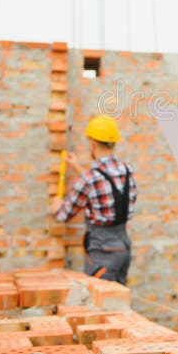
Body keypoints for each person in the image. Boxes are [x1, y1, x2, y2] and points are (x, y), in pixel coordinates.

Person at [51, 114, 137, 285]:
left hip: (103, 252)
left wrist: (56, 206)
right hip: (123, 248)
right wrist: (77, 168)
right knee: (118, 303)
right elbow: (106, 188)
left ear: (92, 143)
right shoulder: (127, 170)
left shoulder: (90, 178)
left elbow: (63, 214)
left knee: (100, 304)